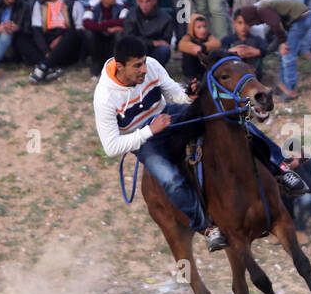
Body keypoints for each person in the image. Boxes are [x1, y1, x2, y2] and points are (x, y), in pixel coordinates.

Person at [93, 35, 228, 251]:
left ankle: (278, 166)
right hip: (144, 140)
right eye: (137, 65)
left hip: (166, 114)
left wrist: (188, 96)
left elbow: (174, 93)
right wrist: (149, 131)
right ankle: (207, 228)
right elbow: (110, 147)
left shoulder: (153, 66)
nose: (144, 69)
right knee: (171, 179)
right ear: (120, 67)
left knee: (217, 117)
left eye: (144, 62)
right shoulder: (104, 97)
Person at [20, 0, 81, 83]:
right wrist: (46, 51)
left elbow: (80, 31)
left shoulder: (73, 3)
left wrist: (61, 40)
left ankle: (43, 66)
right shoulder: (39, 4)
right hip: (46, 44)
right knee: (22, 37)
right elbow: (37, 31)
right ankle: (51, 67)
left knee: (72, 34)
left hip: (65, 46)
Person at [79, 0, 126, 77]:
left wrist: (104, 24)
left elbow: (123, 21)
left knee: (119, 33)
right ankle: (96, 62)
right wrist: (106, 28)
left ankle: (116, 63)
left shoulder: (121, 4)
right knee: (88, 33)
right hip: (99, 39)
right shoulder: (93, 4)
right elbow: (86, 22)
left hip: (113, 40)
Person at [126, 0, 176, 66]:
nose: (144, 5)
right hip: (135, 50)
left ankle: (155, 72)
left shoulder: (166, 18)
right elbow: (128, 38)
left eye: (148, 1)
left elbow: (165, 42)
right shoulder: (131, 15)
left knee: (164, 49)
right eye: (141, 1)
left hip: (155, 52)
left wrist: (153, 44)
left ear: (155, 1)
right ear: (137, 1)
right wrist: (153, 43)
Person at [281, 151, 311, 245]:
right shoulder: (278, 162)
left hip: (297, 201)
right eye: (289, 155)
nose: (291, 158)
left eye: (294, 156)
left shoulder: (307, 162)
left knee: (308, 200)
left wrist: (297, 168)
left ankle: (299, 229)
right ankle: (275, 227)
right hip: (280, 201)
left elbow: (310, 188)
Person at [177, 13, 221, 81]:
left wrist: (203, 47)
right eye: (199, 27)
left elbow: (216, 43)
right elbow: (181, 44)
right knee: (187, 54)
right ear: (192, 28)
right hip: (192, 69)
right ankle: (189, 79)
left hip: (205, 68)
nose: (203, 30)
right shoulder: (188, 37)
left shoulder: (209, 37)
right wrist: (193, 48)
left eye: (204, 26)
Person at [226, 10, 269, 76]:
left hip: (254, 76)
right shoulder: (227, 40)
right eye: (240, 23)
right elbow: (220, 53)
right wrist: (231, 52)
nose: (243, 26)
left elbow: (266, 49)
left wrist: (257, 52)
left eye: (246, 23)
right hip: (235, 76)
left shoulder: (257, 39)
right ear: (234, 24)